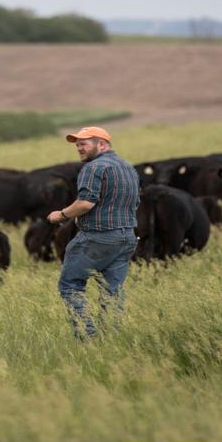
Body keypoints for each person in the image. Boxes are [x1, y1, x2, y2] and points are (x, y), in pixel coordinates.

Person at [48, 127, 139, 339]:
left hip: (97, 237)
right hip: (126, 237)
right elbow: (132, 202)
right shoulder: (128, 168)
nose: (79, 148)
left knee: (70, 286)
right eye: (77, 144)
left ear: (102, 144)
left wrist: (61, 214)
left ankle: (87, 337)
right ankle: (110, 338)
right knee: (112, 291)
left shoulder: (94, 167)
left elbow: (86, 203)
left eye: (84, 143)